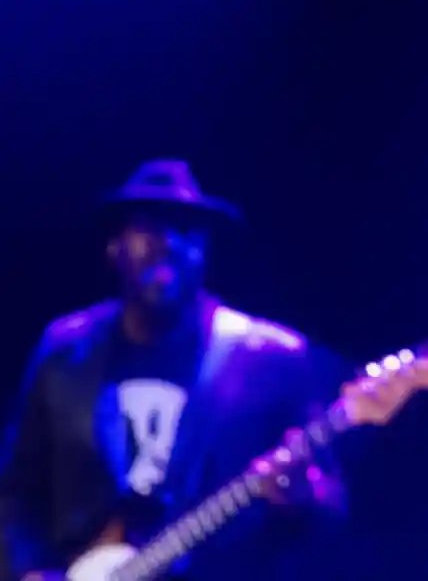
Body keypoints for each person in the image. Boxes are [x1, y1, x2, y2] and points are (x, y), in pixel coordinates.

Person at [0, 159, 349, 581]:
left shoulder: (267, 358)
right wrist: (29, 571)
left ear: (206, 252)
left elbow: (331, 509)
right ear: (115, 246)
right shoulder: (65, 351)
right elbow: (17, 492)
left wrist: (302, 496)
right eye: (148, 226)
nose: (167, 243)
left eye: (187, 229)